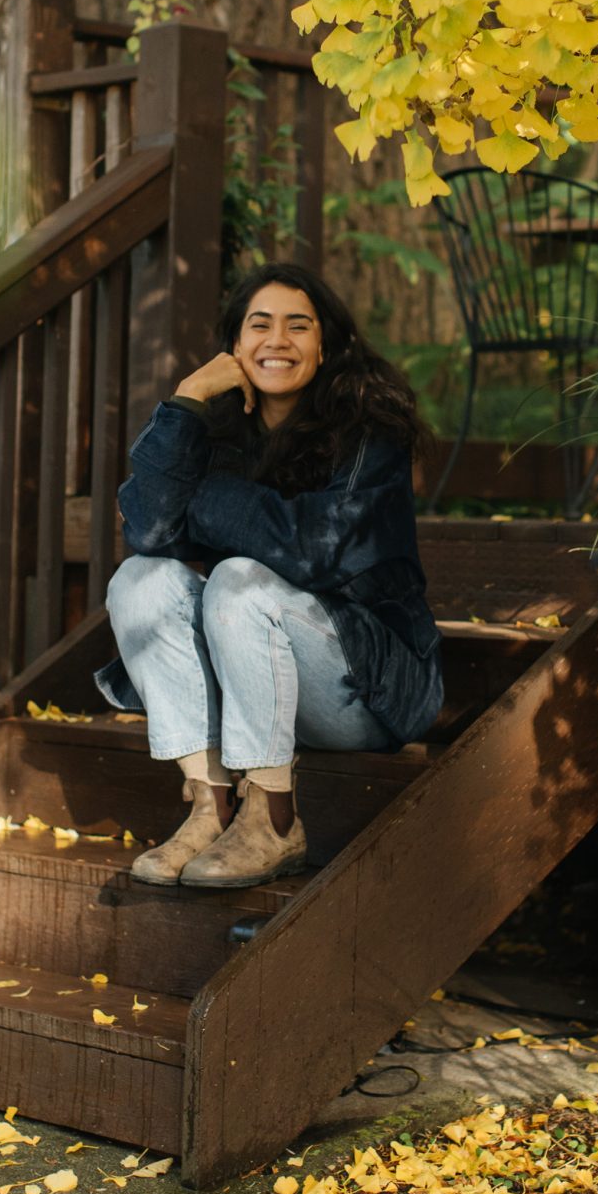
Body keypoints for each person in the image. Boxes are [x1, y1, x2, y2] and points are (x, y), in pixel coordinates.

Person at [95, 262, 442, 889]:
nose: (277, 340)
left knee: (238, 580)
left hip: (366, 688)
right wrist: (189, 399)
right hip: (255, 681)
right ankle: (210, 807)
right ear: (234, 344)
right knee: (140, 580)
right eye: (260, 325)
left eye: (298, 326)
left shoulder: (370, 429)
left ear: (326, 345)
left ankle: (274, 821)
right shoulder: (216, 423)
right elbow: (148, 532)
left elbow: (315, 552)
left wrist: (201, 502)